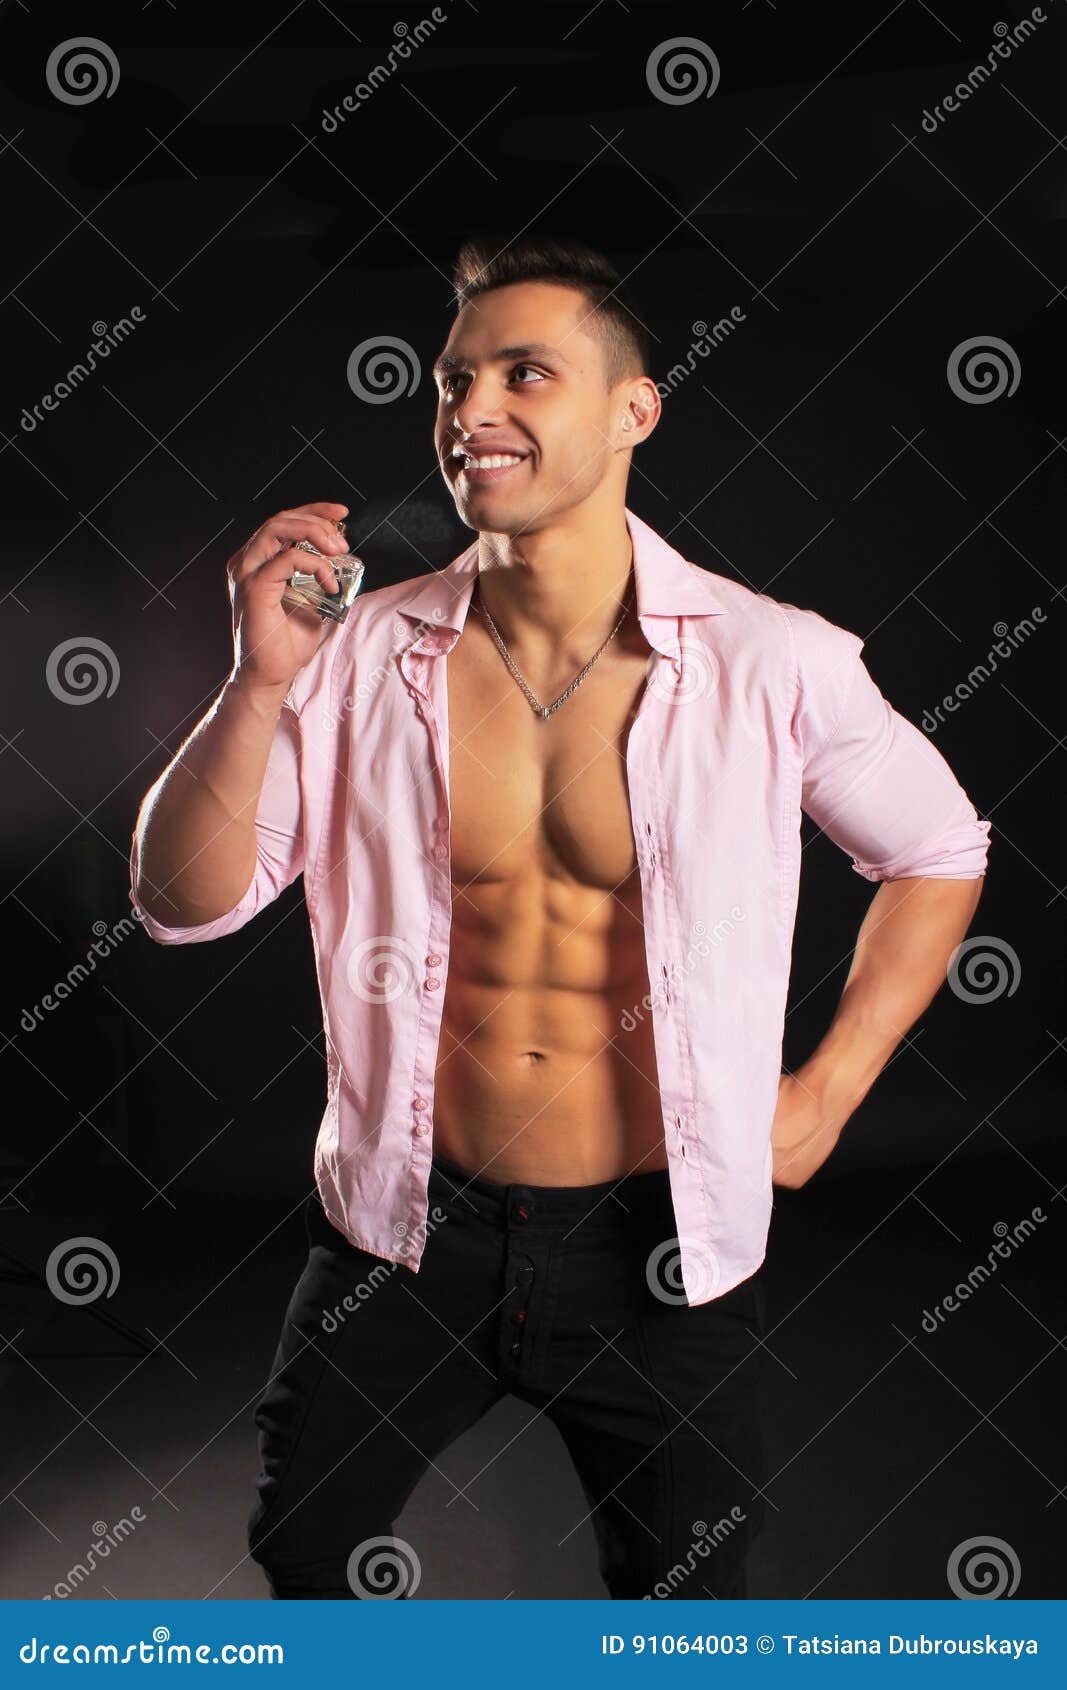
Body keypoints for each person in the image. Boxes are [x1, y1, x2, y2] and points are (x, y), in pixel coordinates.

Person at [128, 235, 990, 1600]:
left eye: (525, 374)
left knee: (682, 1597)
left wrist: (826, 1094)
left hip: (653, 1238)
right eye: (454, 377)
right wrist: (256, 682)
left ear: (635, 408)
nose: (472, 411)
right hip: (403, 1234)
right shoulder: (358, 657)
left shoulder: (774, 658)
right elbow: (182, 904)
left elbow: (939, 847)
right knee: (306, 1556)